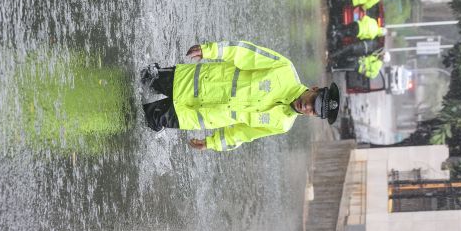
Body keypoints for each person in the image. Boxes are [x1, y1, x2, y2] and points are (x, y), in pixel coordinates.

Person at [141, 41, 340, 151]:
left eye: (313, 110)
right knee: (145, 78)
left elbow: (243, 134)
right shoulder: (284, 69)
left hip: (196, 115)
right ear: (314, 88)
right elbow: (244, 53)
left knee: (146, 118)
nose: (308, 107)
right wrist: (210, 50)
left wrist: (212, 143)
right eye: (313, 101)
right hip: (191, 82)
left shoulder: (283, 124)